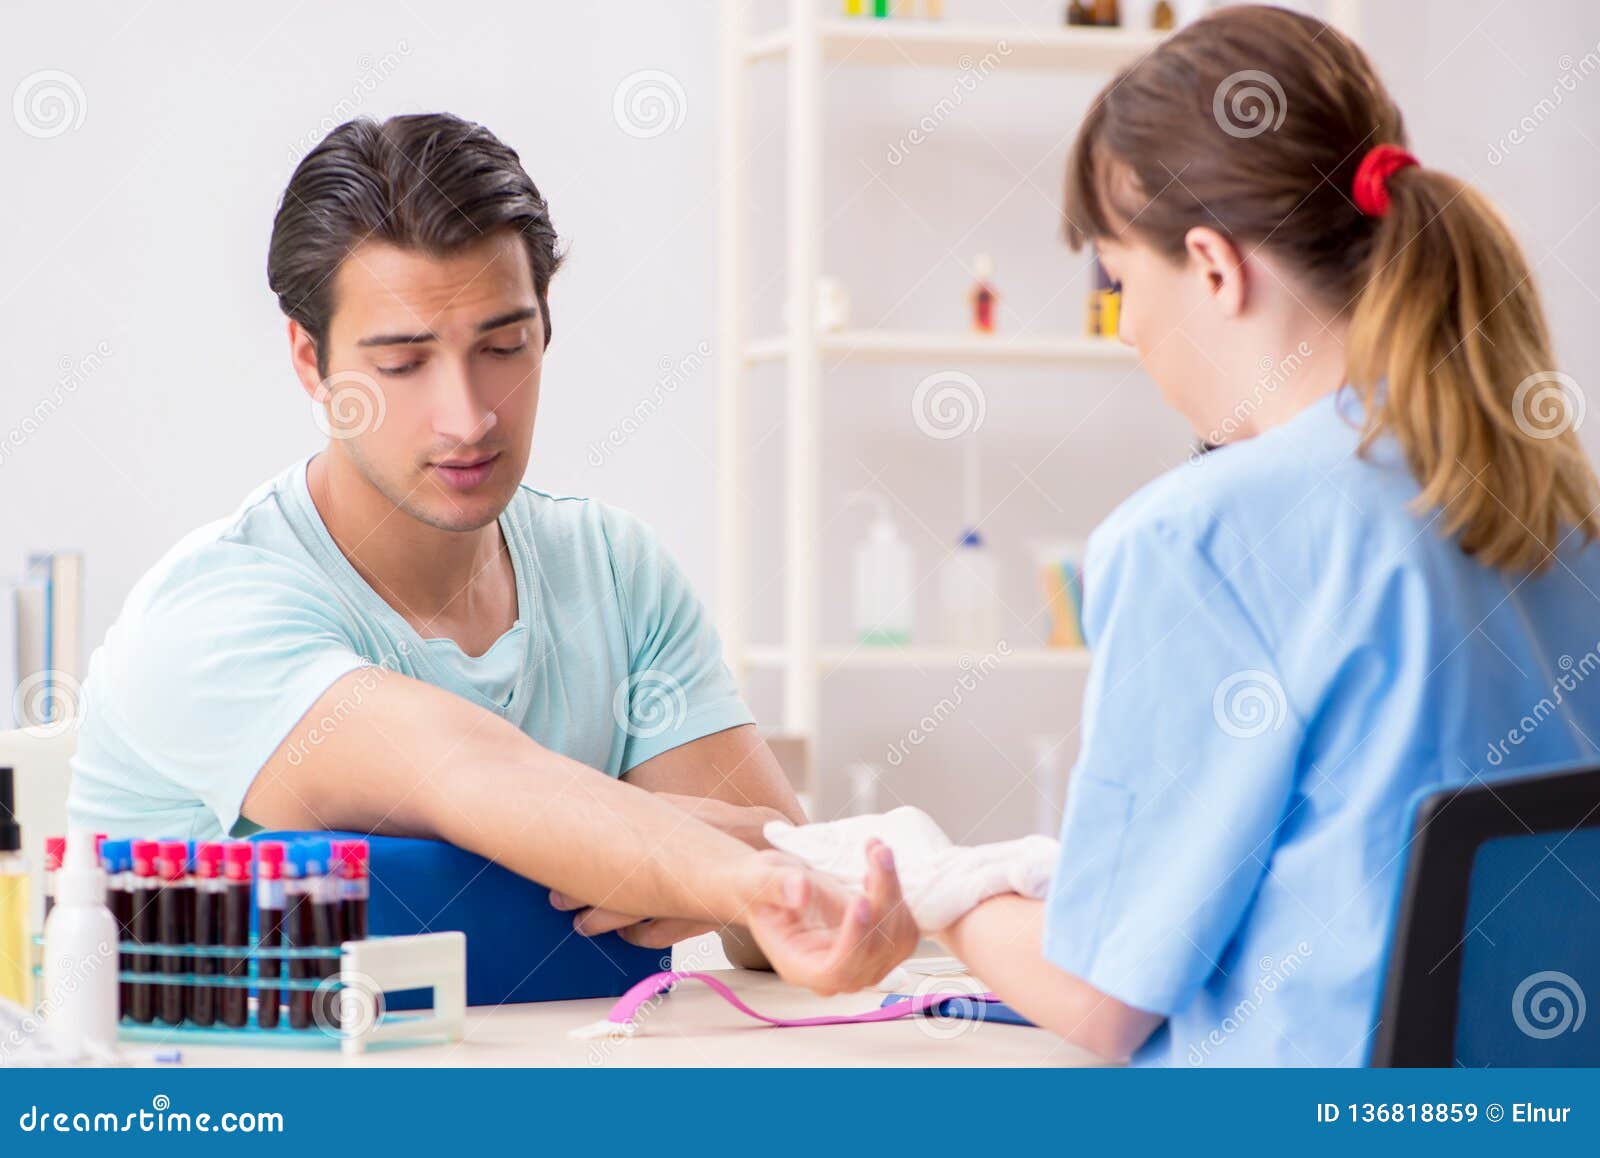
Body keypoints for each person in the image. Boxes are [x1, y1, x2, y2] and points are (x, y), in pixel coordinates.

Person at [823, 5, 1600, 1064]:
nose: (1126, 325)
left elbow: (1100, 1002)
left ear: (1212, 265)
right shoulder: (1549, 507)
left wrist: (939, 888)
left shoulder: (1198, 536)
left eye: (1117, 281)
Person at [66, 112, 915, 987]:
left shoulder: (611, 569)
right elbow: (466, 771)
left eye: (504, 347)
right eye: (402, 365)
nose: (468, 417)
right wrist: (700, 853)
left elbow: (777, 911)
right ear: (310, 362)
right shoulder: (211, 612)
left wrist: (711, 868)